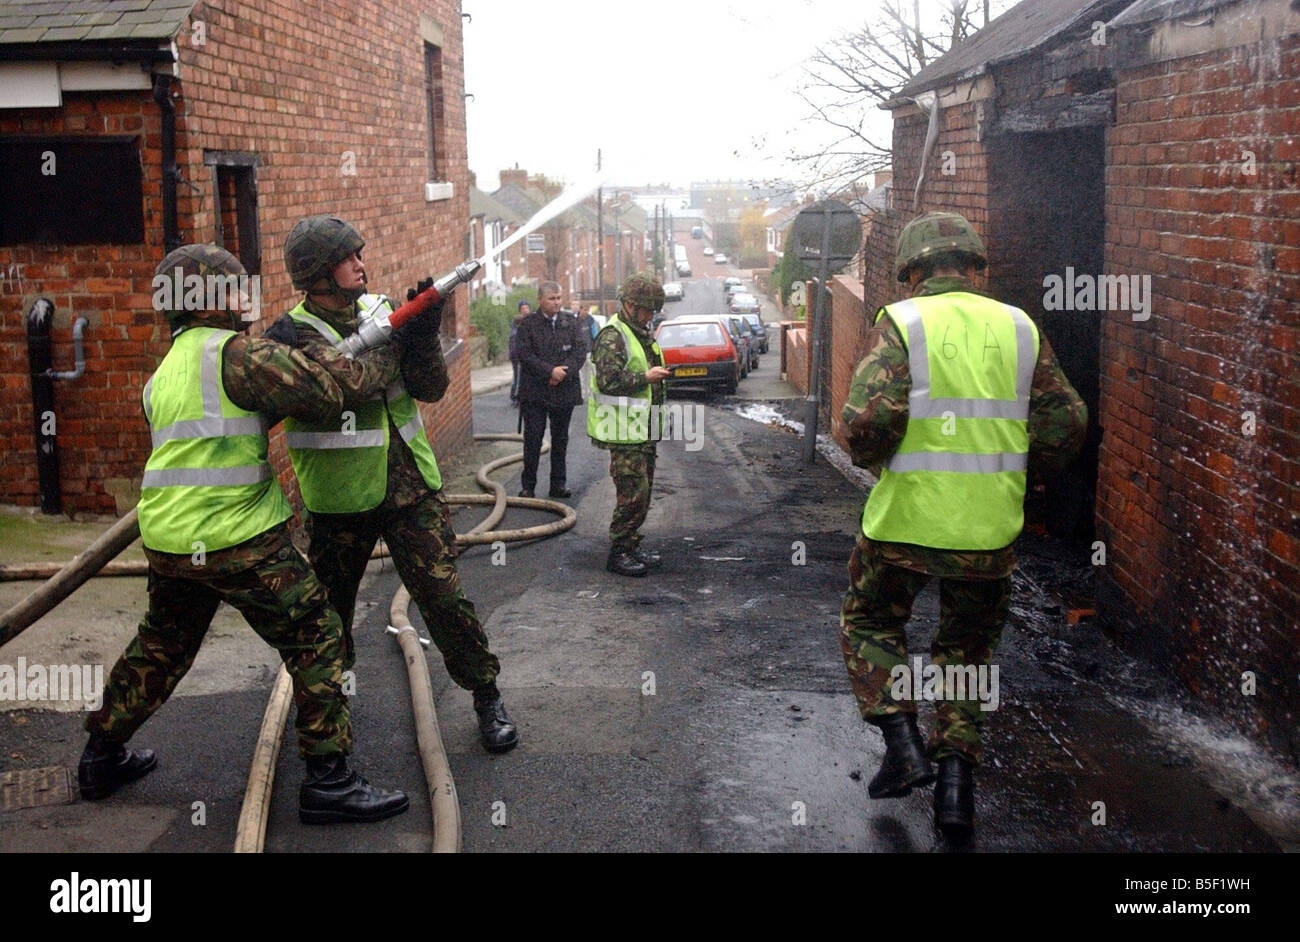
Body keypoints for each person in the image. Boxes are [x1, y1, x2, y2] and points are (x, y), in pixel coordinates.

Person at [81, 244, 409, 824]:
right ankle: (329, 781)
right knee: (317, 632)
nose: (246, 298)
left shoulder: (165, 370)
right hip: (238, 537)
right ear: (209, 298)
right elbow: (327, 395)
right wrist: (353, 350)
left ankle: (100, 757)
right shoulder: (240, 354)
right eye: (236, 287)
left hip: (170, 539)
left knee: (162, 645)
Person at [838, 212, 1086, 840]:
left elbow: (864, 422)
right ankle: (955, 792)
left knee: (870, 622)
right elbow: (1067, 422)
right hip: (989, 531)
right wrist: (1022, 474)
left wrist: (878, 460)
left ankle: (903, 745)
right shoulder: (1019, 327)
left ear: (910, 271)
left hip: (905, 522)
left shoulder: (903, 324)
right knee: (967, 652)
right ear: (976, 267)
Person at [267, 215, 518, 754]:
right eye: (347, 258)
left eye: (360, 254)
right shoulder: (292, 338)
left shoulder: (383, 311)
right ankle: (328, 725)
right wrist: (398, 338)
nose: (361, 265)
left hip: (410, 491)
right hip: (339, 504)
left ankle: (486, 693)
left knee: (445, 601)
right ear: (317, 274)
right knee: (329, 619)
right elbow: (351, 383)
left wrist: (423, 335)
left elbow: (430, 388)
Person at [587, 273, 673, 577]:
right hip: (624, 433)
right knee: (632, 494)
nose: (650, 315)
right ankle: (619, 552)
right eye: (647, 309)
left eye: (653, 310)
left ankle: (631, 545)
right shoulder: (613, 336)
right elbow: (607, 381)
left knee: (643, 493)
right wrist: (645, 377)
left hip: (643, 431)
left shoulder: (640, 333)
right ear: (630, 305)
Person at [515, 281, 585, 499]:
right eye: (551, 299)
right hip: (535, 392)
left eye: (559, 298)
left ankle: (558, 484)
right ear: (540, 300)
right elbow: (524, 355)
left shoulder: (571, 322)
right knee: (533, 439)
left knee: (560, 439)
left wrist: (563, 373)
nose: (556, 302)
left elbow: (580, 351)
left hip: (564, 390)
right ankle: (528, 486)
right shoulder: (528, 325)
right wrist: (549, 372)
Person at [508, 300, 530, 405]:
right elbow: (514, 344)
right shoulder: (516, 323)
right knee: (518, 376)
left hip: (526, 356)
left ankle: (522, 396)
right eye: (523, 308)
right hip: (517, 357)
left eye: (526, 308)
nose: (525, 310)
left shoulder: (531, 320)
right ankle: (515, 397)